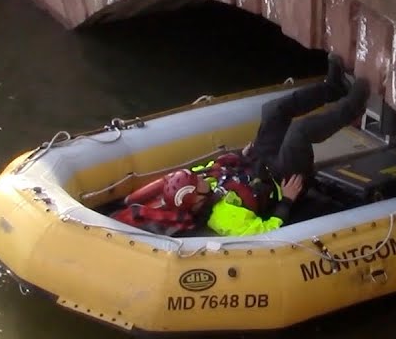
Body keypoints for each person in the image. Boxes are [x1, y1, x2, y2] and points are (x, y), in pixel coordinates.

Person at [152, 54, 371, 236]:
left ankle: (333, 88)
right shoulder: (224, 218)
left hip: (259, 161)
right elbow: (265, 232)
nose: (201, 178)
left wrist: (242, 155)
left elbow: (219, 166)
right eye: (198, 182)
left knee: (273, 111)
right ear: (196, 200)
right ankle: (352, 107)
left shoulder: (204, 179)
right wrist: (286, 201)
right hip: (284, 182)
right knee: (298, 133)